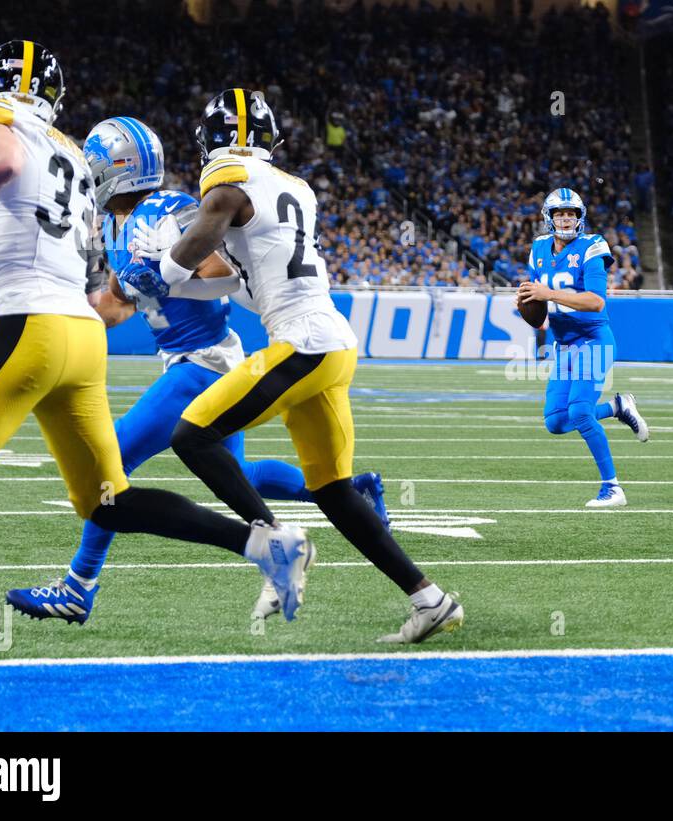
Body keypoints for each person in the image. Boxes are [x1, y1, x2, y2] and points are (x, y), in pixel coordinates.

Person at [0, 43, 309, 606]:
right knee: (107, 498)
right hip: (79, 336)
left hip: (31, 322)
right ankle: (263, 544)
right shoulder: (68, 150)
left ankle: (81, 584)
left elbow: (0, 165)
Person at [5, 116, 388, 624]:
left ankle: (79, 587)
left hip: (202, 364)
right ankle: (350, 491)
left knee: (108, 462)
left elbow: (219, 272)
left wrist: (164, 277)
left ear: (112, 170)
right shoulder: (121, 223)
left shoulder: (168, 209)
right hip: (199, 361)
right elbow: (117, 305)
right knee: (240, 475)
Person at [125, 88, 456, 641]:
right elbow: (254, 282)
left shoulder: (227, 179)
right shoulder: (295, 188)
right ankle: (431, 599)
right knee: (332, 490)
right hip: (328, 343)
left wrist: (166, 265)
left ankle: (275, 541)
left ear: (211, 140)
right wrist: (181, 280)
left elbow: (217, 211)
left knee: (193, 435)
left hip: (303, 343)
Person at [517, 188, 649, 508]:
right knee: (556, 421)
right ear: (549, 217)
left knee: (578, 411)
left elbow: (595, 300)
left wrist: (548, 294)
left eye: (571, 213)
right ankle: (617, 407)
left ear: (580, 217)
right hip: (564, 345)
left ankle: (613, 488)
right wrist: (529, 302)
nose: (566, 218)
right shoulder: (538, 248)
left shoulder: (593, 246)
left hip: (594, 341)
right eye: (560, 213)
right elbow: (537, 303)